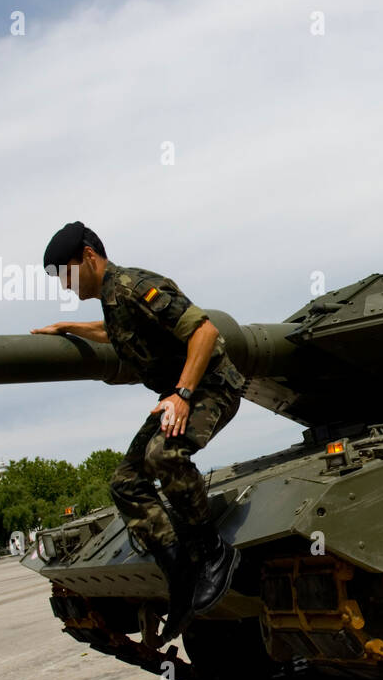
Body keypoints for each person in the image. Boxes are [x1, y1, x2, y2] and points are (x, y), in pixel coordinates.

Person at [32, 222, 246, 643]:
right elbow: (112, 333)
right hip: (177, 395)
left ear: (89, 256)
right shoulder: (114, 301)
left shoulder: (134, 286)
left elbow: (204, 330)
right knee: (125, 482)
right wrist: (68, 327)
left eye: (67, 274)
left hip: (210, 386)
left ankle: (213, 553)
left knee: (163, 456)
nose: (65, 285)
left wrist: (183, 394)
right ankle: (179, 573)